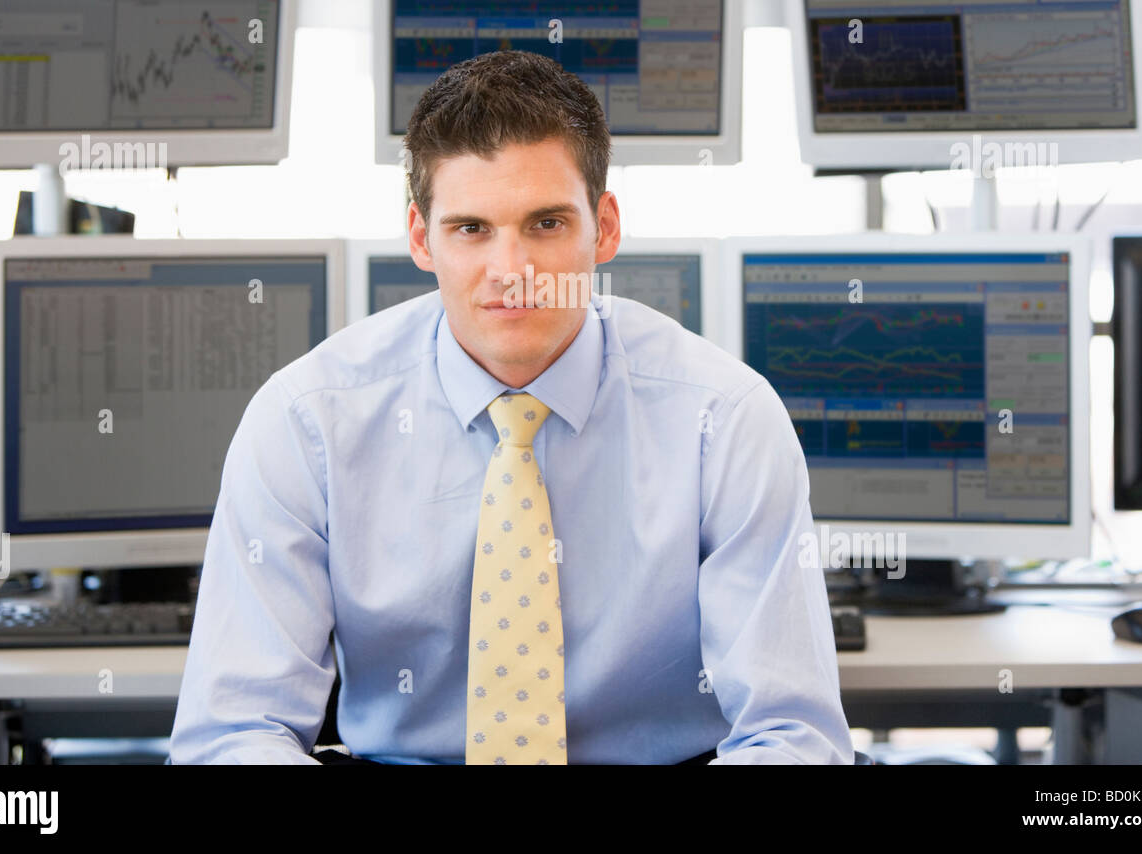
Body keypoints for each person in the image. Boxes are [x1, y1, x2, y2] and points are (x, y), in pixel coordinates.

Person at [169, 50, 853, 764]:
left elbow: (791, 735)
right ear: (419, 238)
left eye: (546, 224)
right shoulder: (306, 423)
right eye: (471, 229)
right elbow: (233, 734)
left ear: (605, 227)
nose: (511, 272)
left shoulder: (727, 420)